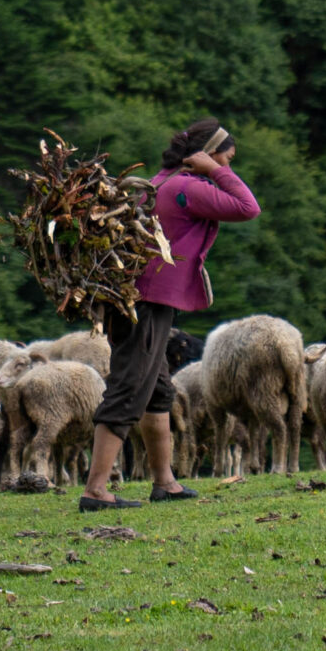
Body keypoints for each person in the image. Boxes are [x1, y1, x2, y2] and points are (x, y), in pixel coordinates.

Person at [79, 117, 260, 510]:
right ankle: (95, 490)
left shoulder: (158, 182)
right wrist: (215, 172)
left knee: (158, 391)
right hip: (149, 300)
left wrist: (214, 168)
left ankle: (165, 481)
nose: (226, 169)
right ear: (204, 155)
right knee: (129, 386)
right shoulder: (187, 187)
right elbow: (248, 207)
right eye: (225, 160)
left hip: (135, 297)